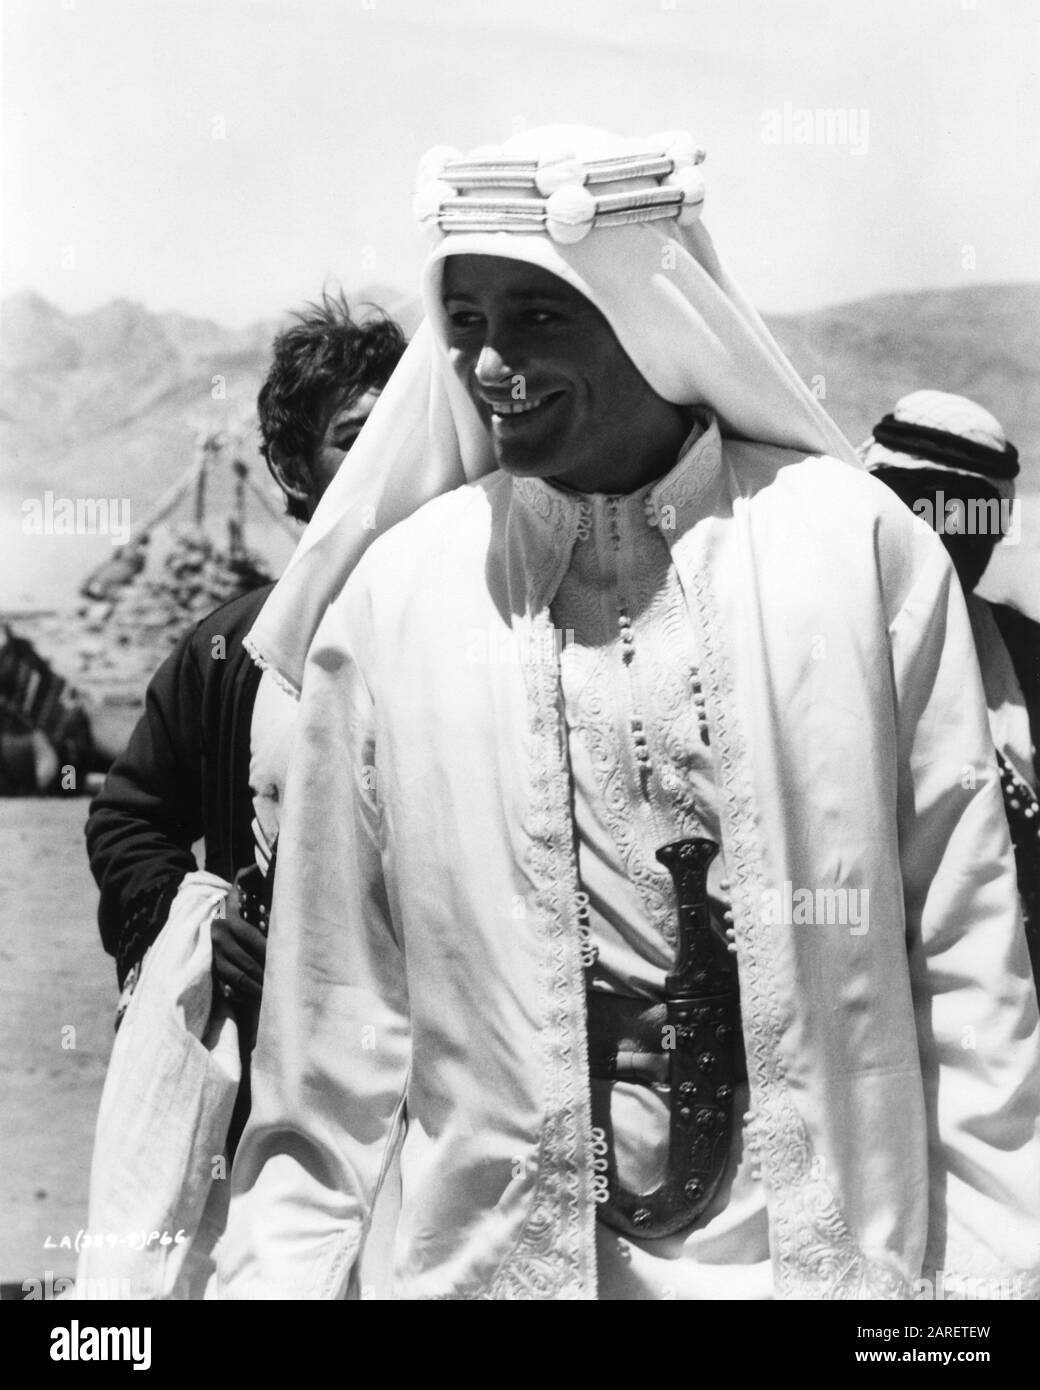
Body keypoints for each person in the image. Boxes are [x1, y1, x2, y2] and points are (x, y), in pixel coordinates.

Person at [219, 127, 1040, 1301]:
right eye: (466, 322)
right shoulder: (395, 606)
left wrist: (982, 1294)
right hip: (504, 1264)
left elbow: (967, 970)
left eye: (538, 317)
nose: (490, 363)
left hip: (825, 1263)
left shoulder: (857, 557)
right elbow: (331, 1034)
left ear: (649, 314)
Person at [78, 293, 405, 1298]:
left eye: (402, 424)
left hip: (421, 1075)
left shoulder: (471, 633)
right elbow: (131, 817)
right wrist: (196, 928)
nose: (386, 454)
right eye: (354, 436)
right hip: (265, 1071)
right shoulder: (228, 654)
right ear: (292, 468)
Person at [863, 390, 1039, 989]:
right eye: (921, 507)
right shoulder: (809, 651)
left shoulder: (1028, 654)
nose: (944, 534)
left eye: (967, 514)